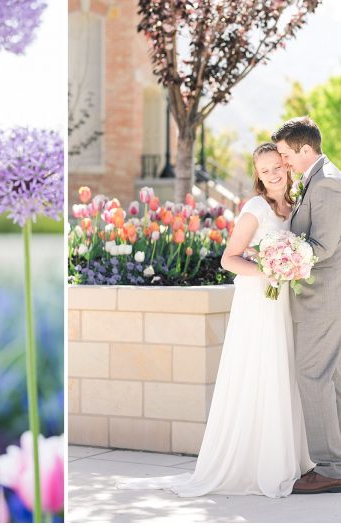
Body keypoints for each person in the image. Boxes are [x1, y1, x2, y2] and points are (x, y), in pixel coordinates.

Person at [116, 142, 314, 498]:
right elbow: (229, 259)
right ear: (257, 173)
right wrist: (268, 268)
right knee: (260, 372)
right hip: (259, 301)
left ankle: (286, 459)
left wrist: (293, 264)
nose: (271, 174)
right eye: (264, 169)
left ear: (286, 165)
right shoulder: (255, 208)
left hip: (283, 300)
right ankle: (256, 464)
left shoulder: (294, 203)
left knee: (282, 373)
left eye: (276, 167)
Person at [273, 116, 341, 494]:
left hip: (323, 299)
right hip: (326, 297)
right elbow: (333, 238)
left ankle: (329, 468)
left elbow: (321, 247)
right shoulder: (320, 180)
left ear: (306, 150)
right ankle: (337, 463)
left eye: (286, 155)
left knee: (314, 377)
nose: (283, 163)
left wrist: (272, 253)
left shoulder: (326, 184)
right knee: (330, 379)